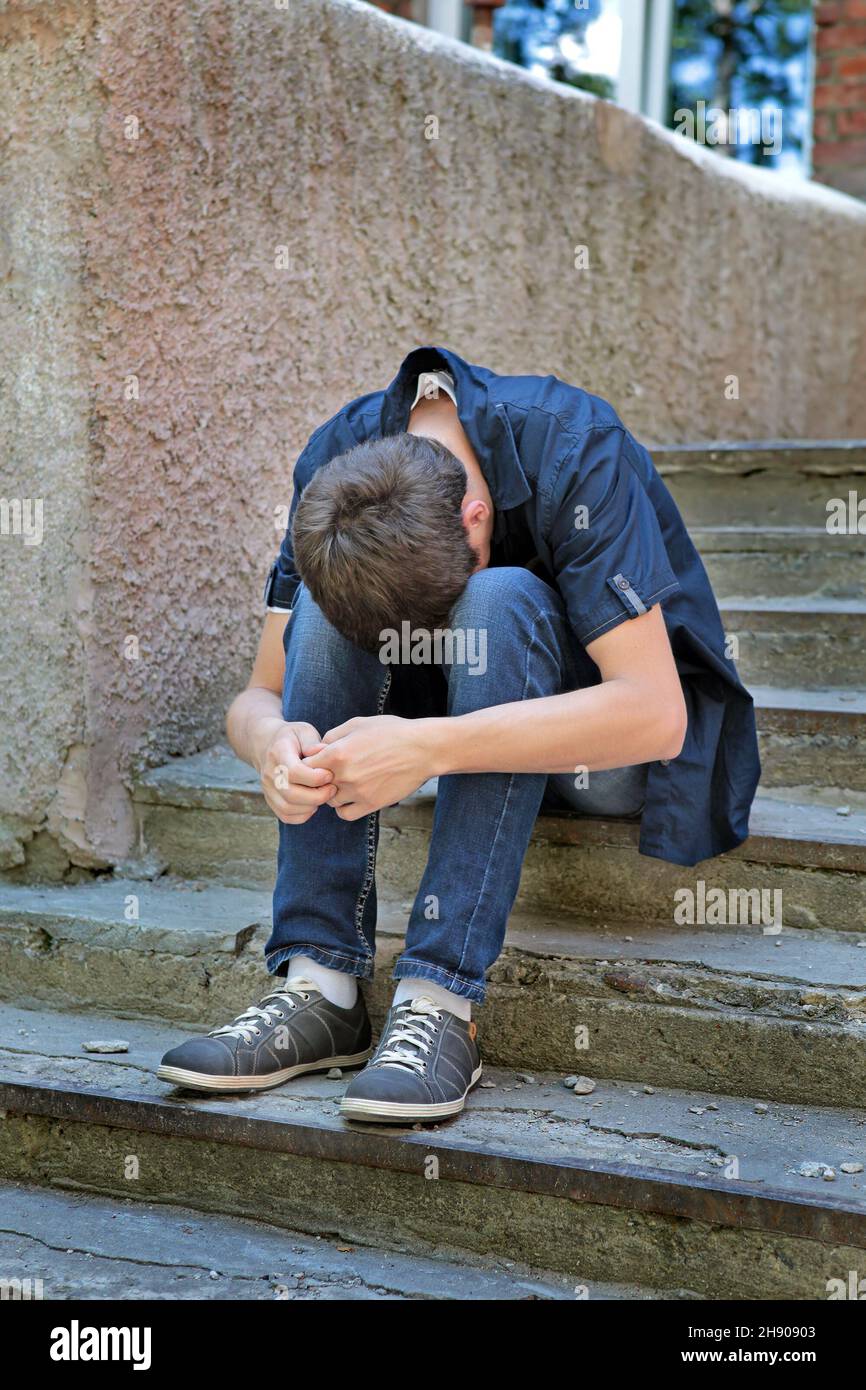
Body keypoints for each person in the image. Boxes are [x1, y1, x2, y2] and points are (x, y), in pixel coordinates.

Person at [158, 346, 759, 1122]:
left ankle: (439, 1002)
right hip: (449, 732)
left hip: (609, 755)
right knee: (318, 610)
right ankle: (320, 987)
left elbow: (655, 713)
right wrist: (271, 744)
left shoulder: (574, 443)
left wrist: (433, 747)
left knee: (498, 601)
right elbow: (256, 696)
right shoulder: (336, 466)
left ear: (479, 516)